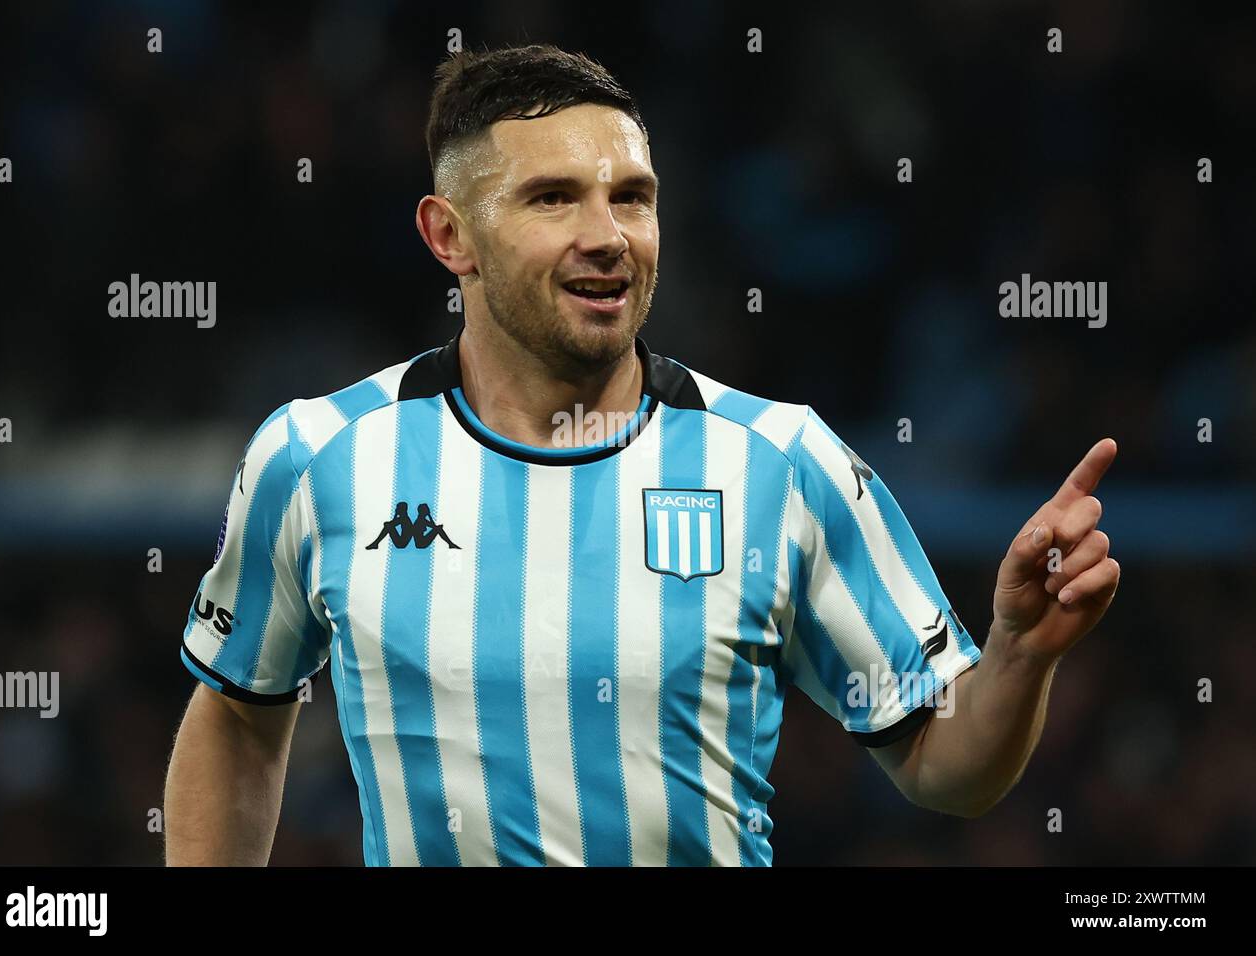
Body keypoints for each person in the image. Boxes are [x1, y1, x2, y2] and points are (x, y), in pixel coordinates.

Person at [164, 43, 1120, 867]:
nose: (607, 236)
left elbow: (943, 769)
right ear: (449, 235)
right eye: (553, 199)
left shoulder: (780, 462)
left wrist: (1017, 657)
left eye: (633, 197)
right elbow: (240, 715)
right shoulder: (320, 457)